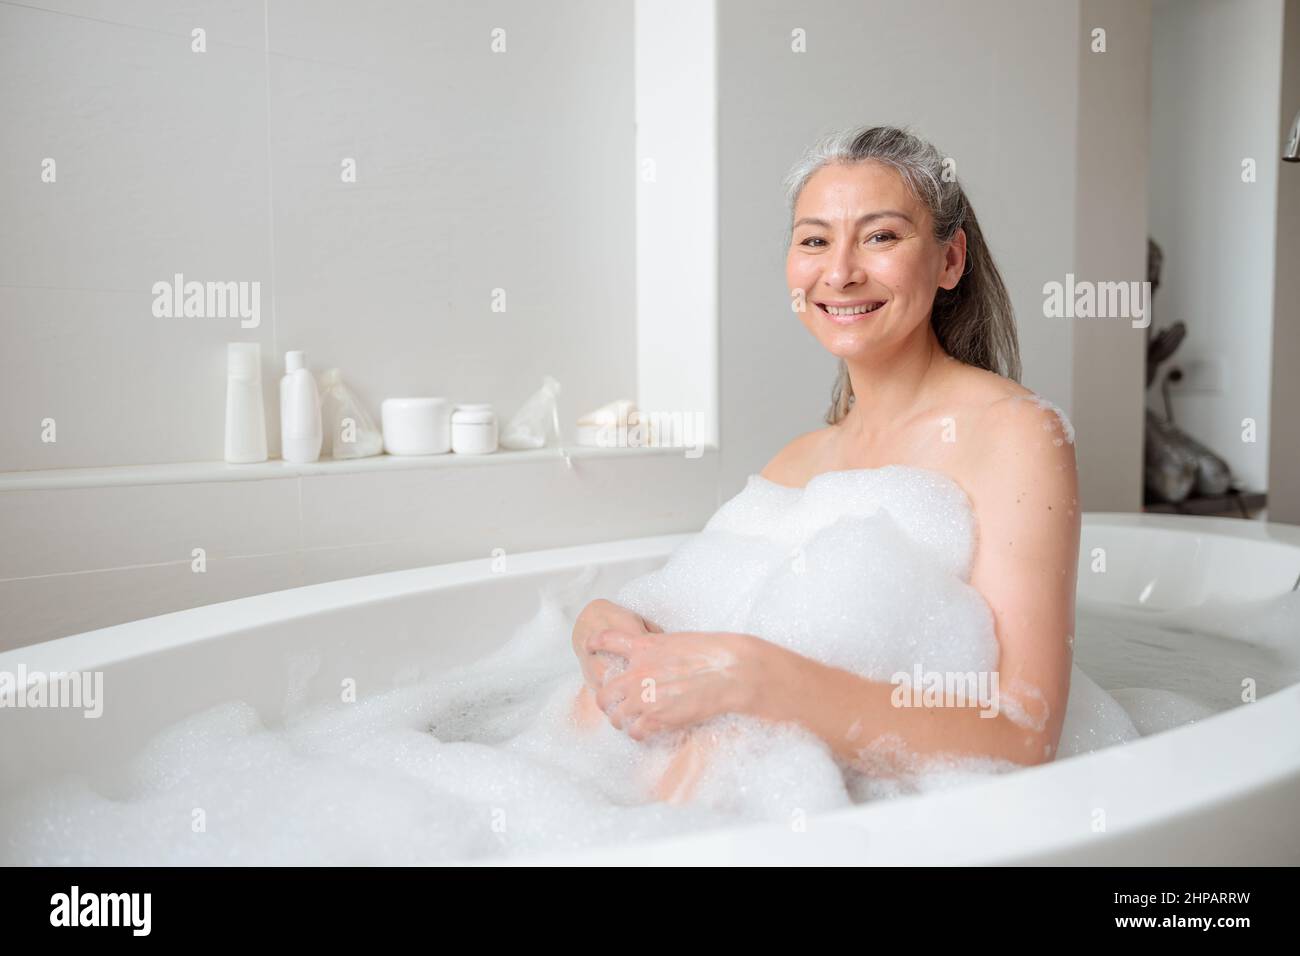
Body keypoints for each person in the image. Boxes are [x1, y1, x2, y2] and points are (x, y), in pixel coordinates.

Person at [570, 125, 1081, 802]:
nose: (839, 272)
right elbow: (700, 623)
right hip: (706, 799)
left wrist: (757, 679)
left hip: (887, 818)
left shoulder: (1017, 435)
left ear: (951, 260)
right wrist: (605, 627)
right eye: (814, 239)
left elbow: (1022, 735)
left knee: (715, 748)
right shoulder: (799, 462)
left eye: (880, 237)